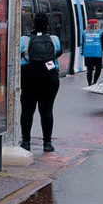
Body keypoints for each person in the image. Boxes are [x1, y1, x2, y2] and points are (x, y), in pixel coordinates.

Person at [20, 12, 63, 152]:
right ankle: (47, 143)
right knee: (47, 110)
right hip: (49, 78)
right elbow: (58, 52)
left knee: (27, 111)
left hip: (29, 77)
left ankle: (26, 142)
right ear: (47, 25)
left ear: (32, 25)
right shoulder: (54, 39)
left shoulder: (24, 40)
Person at [82, 19, 103, 85]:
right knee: (98, 69)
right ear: (96, 24)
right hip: (98, 54)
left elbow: (82, 43)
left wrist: (82, 52)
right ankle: (94, 82)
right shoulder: (100, 32)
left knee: (89, 70)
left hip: (88, 54)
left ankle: (89, 83)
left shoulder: (84, 32)